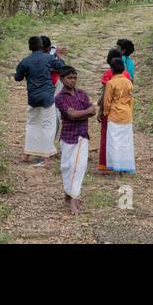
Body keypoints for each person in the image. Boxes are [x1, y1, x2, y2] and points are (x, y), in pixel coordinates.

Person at [14, 36, 64, 163]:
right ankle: (46, 155)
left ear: (30, 47)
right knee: (48, 125)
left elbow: (17, 77)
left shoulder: (25, 61)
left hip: (33, 97)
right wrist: (58, 55)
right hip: (47, 96)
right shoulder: (48, 58)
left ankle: (27, 154)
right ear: (42, 46)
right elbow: (62, 66)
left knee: (32, 124)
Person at [54, 66, 96, 214]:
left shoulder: (82, 94)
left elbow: (92, 111)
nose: (73, 81)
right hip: (67, 136)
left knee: (79, 167)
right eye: (69, 78)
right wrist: (85, 113)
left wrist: (79, 114)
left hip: (81, 135)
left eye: (75, 78)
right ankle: (68, 193)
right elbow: (71, 115)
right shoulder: (60, 97)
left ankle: (74, 199)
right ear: (62, 79)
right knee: (67, 167)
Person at [97, 47, 131, 172]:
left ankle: (105, 164)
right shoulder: (126, 75)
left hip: (111, 111)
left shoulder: (108, 75)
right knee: (123, 138)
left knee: (107, 136)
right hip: (125, 112)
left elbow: (106, 97)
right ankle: (124, 163)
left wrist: (103, 112)